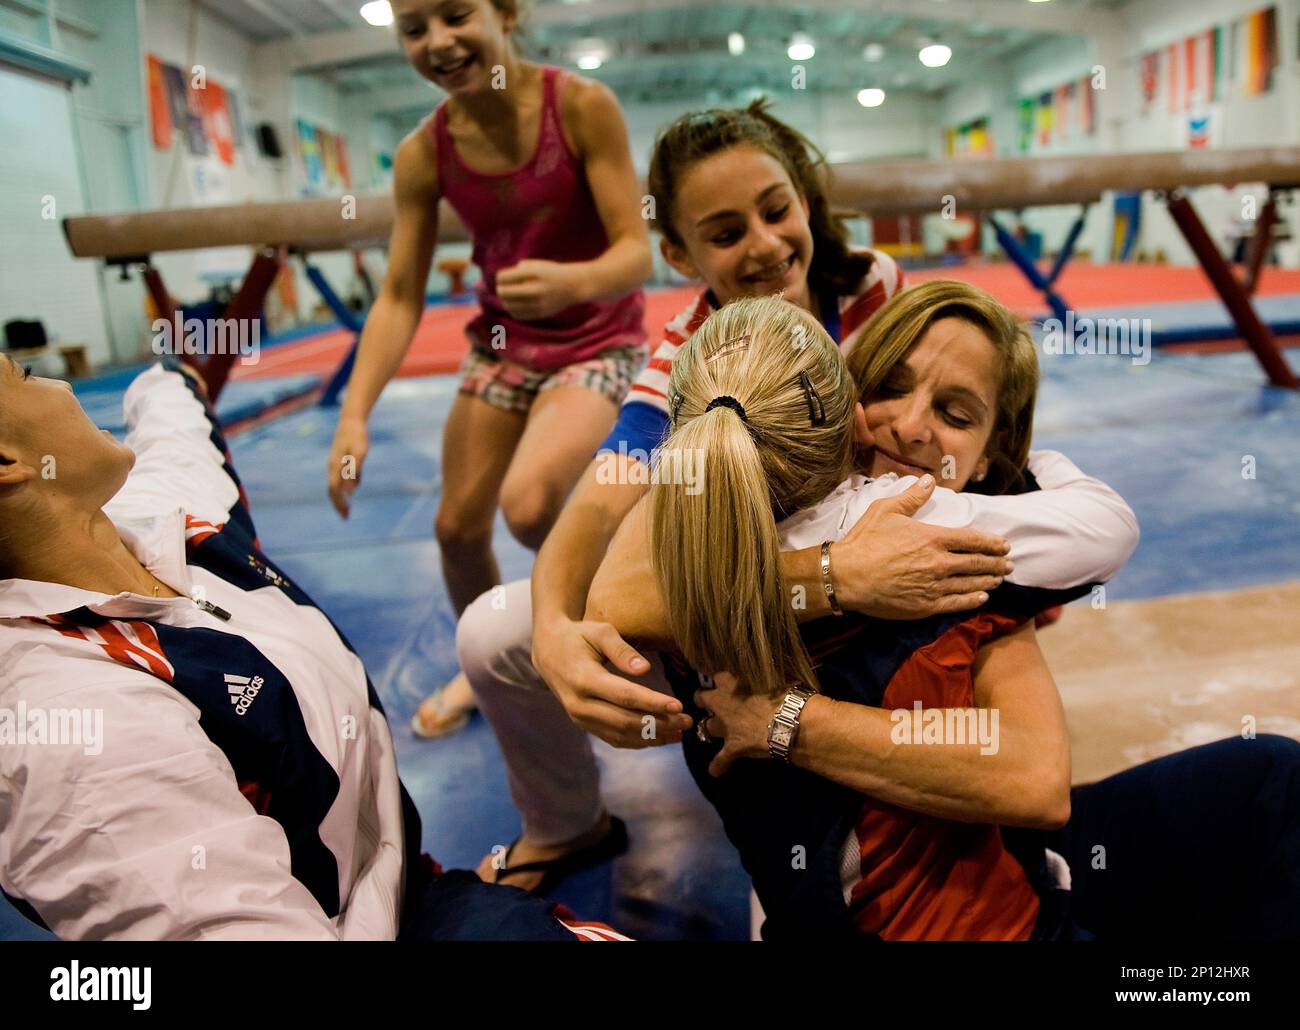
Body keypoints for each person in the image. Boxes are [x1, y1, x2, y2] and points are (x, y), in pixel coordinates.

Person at [619, 287, 1300, 941]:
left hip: (1008, 866)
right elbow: (1106, 532)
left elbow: (1036, 786)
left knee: (1271, 778)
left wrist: (788, 717)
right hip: (969, 920)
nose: (910, 428)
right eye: (889, 386)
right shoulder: (945, 537)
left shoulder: (956, 559)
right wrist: (837, 579)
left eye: (955, 414)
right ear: (845, 402)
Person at [0, 355, 626, 941]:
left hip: (405, 882)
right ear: (8, 464)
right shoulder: (75, 733)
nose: (61, 384)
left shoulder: (163, 517)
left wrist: (179, 361)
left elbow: (174, 412)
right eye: (25, 374)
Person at [325, 0, 653, 738]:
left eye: (454, 15)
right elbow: (401, 293)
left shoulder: (581, 107)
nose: (437, 42)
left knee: (531, 504)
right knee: (454, 527)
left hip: (598, 340)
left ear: (504, 11)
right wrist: (354, 415)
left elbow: (637, 249)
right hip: (503, 346)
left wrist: (573, 282)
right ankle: (486, 665)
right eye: (414, 29)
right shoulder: (424, 152)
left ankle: (600, 625)